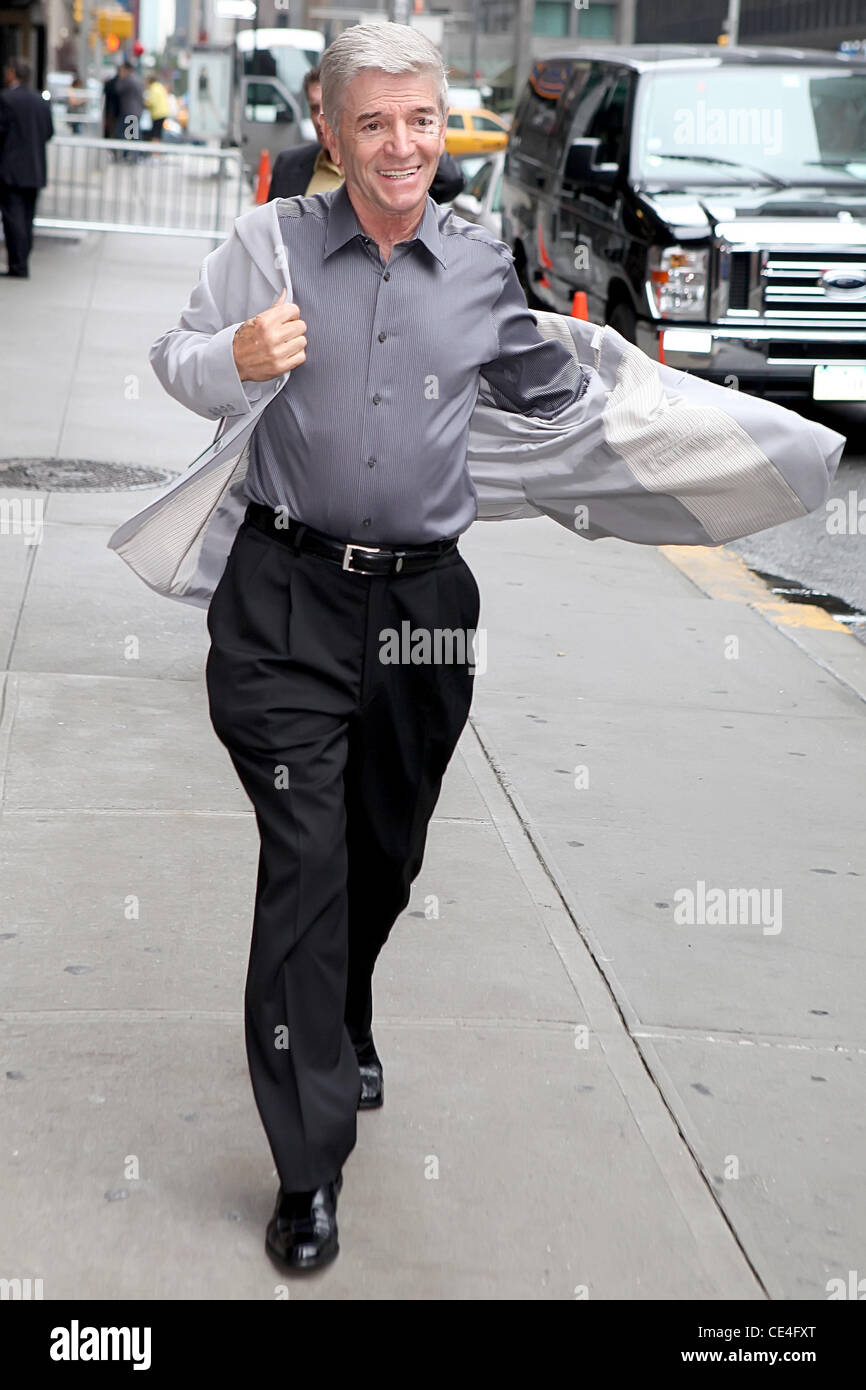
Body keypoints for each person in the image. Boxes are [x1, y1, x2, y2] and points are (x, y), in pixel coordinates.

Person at [149, 21, 586, 1274]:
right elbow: (174, 356)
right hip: (285, 597)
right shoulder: (267, 247)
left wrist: (704, 445)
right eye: (376, 122)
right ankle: (308, 1163)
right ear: (332, 133)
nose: (404, 145)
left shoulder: (477, 263)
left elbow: (554, 390)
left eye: (423, 119)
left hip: (425, 612)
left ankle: (344, 1005)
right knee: (305, 867)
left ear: (444, 125)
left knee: (381, 852)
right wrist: (229, 360)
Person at [268, 63, 465, 204]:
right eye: (314, 108)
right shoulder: (289, 164)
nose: (322, 117)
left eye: (328, 107)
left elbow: (451, 180)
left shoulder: (388, 161)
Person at [0, 57, 54, 278]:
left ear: (12, 73)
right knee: (27, 218)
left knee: (13, 218)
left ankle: (18, 264)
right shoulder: (40, 101)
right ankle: (22, 261)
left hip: (11, 170)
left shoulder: (6, 99)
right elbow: (48, 132)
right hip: (34, 169)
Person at [114, 60, 143, 160]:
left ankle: (132, 156)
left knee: (127, 134)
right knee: (131, 134)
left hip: (129, 112)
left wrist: (121, 77)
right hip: (135, 111)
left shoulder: (128, 80)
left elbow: (118, 88)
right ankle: (132, 156)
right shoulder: (137, 79)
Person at [144, 72, 170, 142]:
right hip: (163, 113)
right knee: (158, 134)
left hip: (157, 114)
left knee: (155, 134)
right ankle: (158, 151)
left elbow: (152, 102)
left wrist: (145, 103)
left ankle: (155, 151)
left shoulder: (153, 88)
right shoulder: (159, 86)